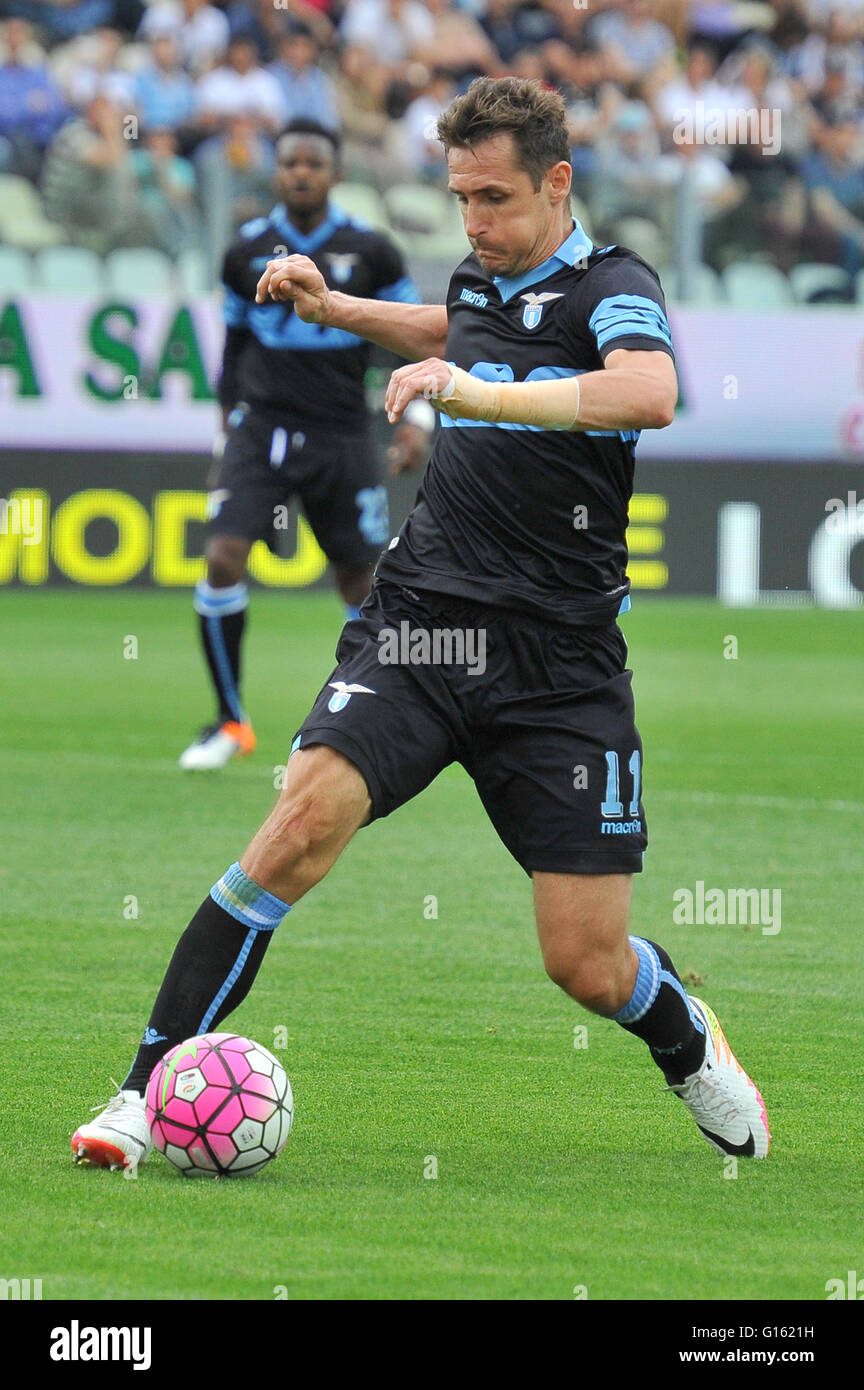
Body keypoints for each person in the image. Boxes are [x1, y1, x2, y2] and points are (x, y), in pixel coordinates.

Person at [72, 77, 770, 1170]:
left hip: (560, 665)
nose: (475, 222)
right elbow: (455, 323)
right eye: (459, 199)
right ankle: (136, 1094)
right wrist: (339, 313)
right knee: (296, 830)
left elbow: (649, 394)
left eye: (494, 198)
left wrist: (474, 390)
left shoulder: (612, 284)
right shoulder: (482, 276)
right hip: (422, 626)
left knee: (585, 962)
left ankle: (684, 1035)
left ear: (558, 182)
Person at [177, 116, 428, 771]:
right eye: (290, 163)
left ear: (335, 173)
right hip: (260, 430)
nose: (301, 173)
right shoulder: (244, 251)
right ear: (277, 171)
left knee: (361, 583)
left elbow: (418, 336)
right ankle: (231, 721)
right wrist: (223, 433)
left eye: (313, 163)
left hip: (344, 431)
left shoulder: (372, 250)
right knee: (224, 557)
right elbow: (233, 351)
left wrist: (418, 420)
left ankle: (361, 719)